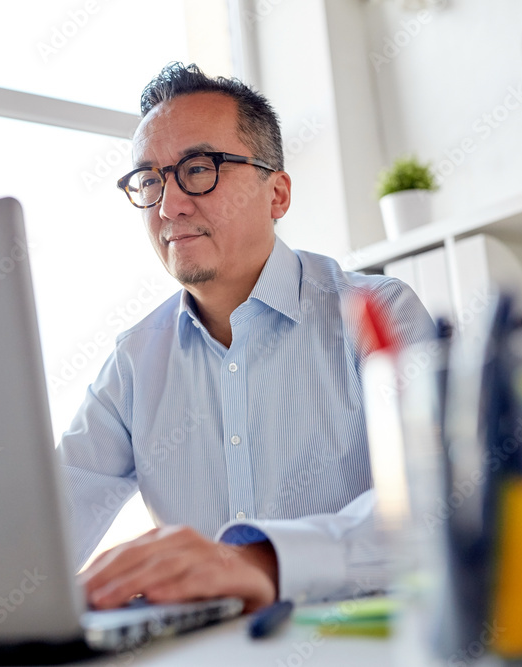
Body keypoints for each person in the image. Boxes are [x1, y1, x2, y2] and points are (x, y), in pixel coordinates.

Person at [58, 63, 434, 613]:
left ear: (277, 194)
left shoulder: (379, 313)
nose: (169, 206)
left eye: (200, 169)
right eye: (150, 181)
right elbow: (44, 529)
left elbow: (445, 495)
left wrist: (261, 562)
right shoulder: (135, 362)